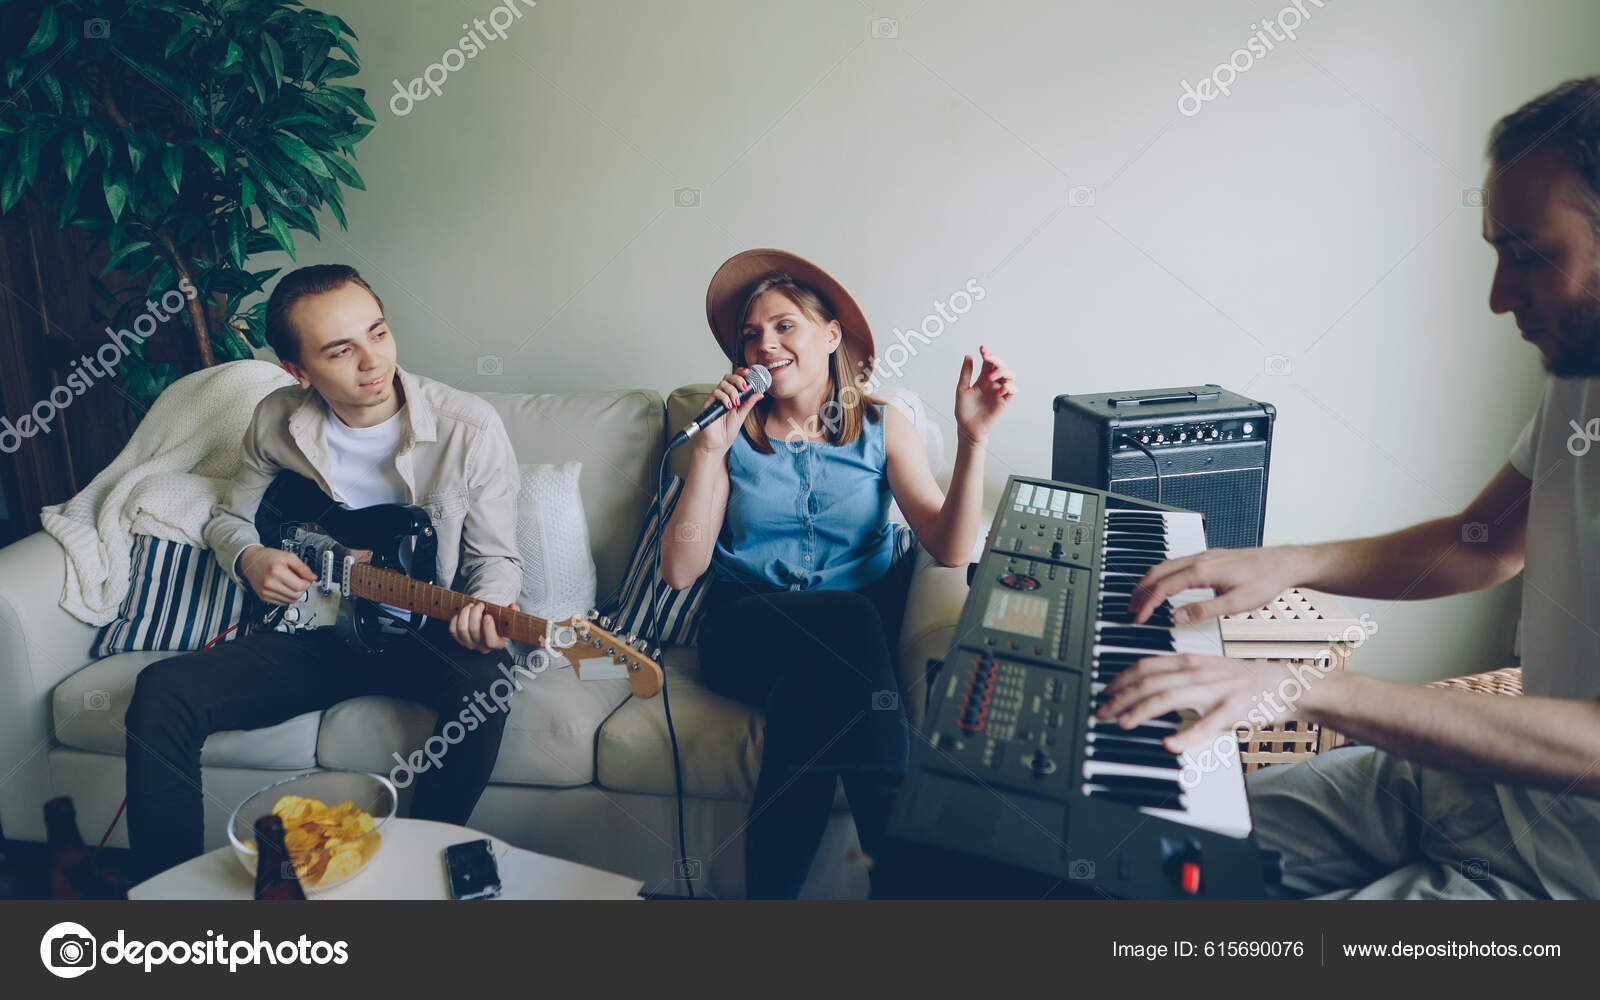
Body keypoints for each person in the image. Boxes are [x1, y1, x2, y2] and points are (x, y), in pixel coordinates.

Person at [1101, 77, 1600, 899]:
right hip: (1483, 791)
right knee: (1139, 854)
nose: (1498, 297)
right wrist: (1290, 563)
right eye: (1495, 251)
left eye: (1529, 254)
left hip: (1571, 883)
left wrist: (1311, 686)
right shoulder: (1579, 367)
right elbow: (1483, 546)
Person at [124, 264, 524, 881]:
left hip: (419, 633)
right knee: (162, 690)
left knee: (492, 673)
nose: (374, 361)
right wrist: (251, 557)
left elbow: (494, 559)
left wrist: (485, 607)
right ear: (299, 372)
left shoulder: (468, 429)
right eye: (342, 351)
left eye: (379, 333)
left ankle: (419, 872)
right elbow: (229, 520)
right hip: (312, 637)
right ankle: (165, 900)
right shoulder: (274, 419)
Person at [661, 249, 1016, 898]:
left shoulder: (882, 426)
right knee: (849, 622)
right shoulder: (731, 435)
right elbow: (681, 571)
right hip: (747, 630)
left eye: (783, 325)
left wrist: (973, 441)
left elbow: (951, 548)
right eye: (751, 334)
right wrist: (710, 452)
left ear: (831, 337)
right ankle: (907, 881)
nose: (763, 343)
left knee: (810, 702)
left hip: (843, 653)